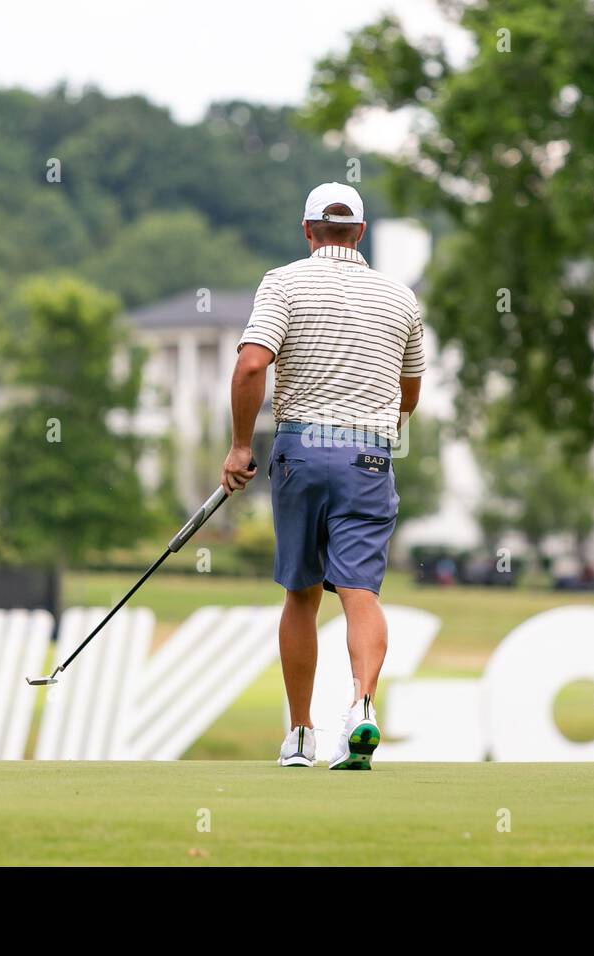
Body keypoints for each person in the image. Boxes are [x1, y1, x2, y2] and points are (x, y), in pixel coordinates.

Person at [221, 182, 425, 770]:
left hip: (300, 452)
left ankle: (301, 735)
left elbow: (252, 364)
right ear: (360, 233)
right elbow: (408, 394)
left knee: (302, 593)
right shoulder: (400, 297)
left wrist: (239, 447)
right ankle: (361, 706)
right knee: (360, 592)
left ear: (307, 230)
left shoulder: (282, 283)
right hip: (368, 456)